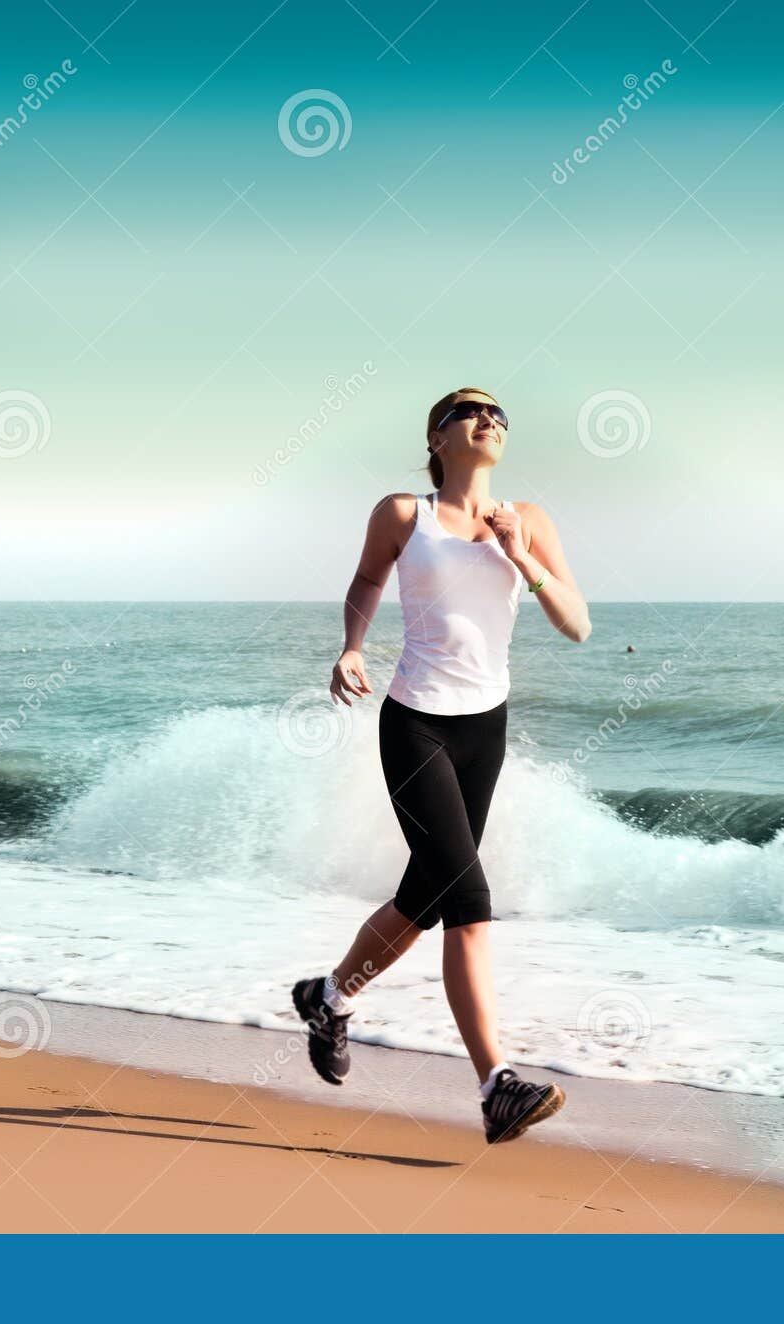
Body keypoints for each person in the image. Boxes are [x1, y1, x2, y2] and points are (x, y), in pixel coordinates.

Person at [291, 387, 591, 1144]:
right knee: (468, 897)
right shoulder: (403, 514)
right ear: (437, 435)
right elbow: (366, 581)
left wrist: (521, 556)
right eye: (470, 410)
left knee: (425, 899)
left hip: (484, 730)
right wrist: (353, 645)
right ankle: (496, 1084)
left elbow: (579, 626)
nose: (489, 419)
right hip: (416, 722)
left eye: (499, 415)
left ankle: (329, 997)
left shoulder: (531, 520)